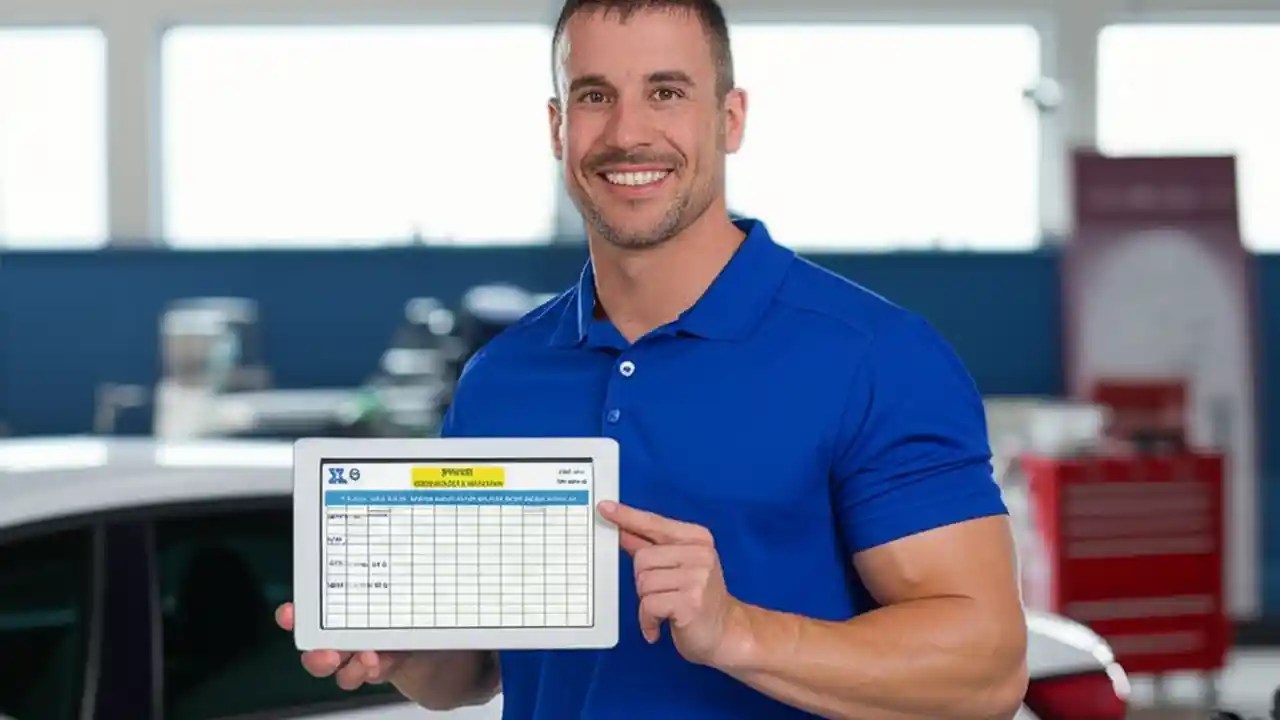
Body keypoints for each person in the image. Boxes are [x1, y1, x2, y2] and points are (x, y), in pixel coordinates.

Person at [275, 0, 1030, 716]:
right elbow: (479, 671)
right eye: (595, 96)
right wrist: (409, 652)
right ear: (557, 126)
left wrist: (739, 632)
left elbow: (987, 669)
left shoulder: (878, 358)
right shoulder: (501, 378)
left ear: (728, 119)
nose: (627, 133)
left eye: (666, 92)